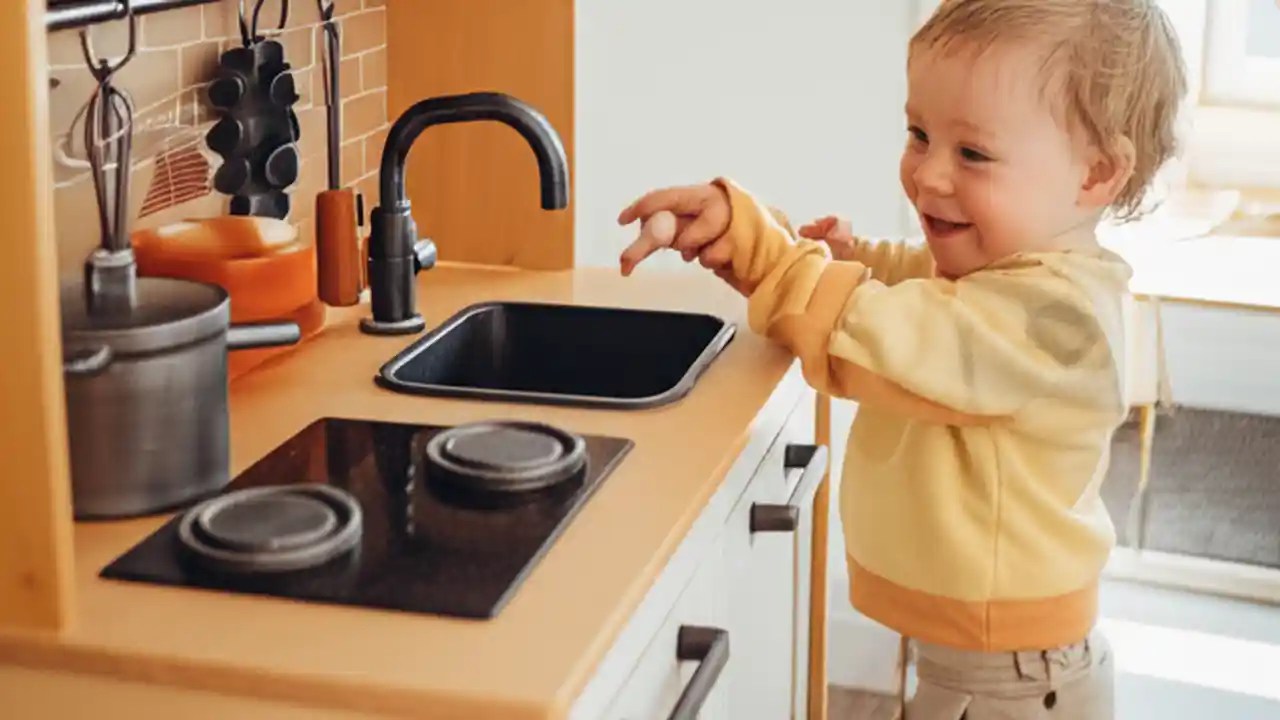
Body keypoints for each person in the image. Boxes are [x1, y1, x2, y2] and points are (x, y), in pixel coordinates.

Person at [616, 1, 1188, 717]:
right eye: (919, 134)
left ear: (1095, 174)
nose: (928, 175)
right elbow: (922, 284)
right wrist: (843, 260)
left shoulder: (1058, 322)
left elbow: (898, 338)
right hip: (988, 663)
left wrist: (772, 257)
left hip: (1012, 682)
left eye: (972, 153)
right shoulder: (1015, 279)